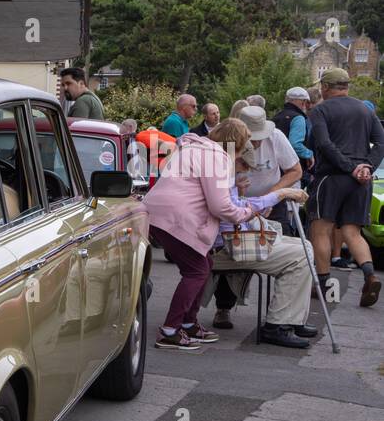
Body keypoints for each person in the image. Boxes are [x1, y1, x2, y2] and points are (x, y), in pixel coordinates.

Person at [143, 119, 305, 350]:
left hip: (160, 213)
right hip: (177, 219)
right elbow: (221, 207)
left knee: (203, 266)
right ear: (237, 143)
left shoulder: (194, 147)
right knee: (197, 271)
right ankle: (170, 330)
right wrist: (246, 213)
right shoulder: (218, 158)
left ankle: (188, 323)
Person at [305, 67, 384, 307]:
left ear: (326, 88)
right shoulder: (365, 110)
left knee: (320, 230)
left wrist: (349, 167)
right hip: (361, 181)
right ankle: (370, 275)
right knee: (353, 232)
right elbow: (381, 142)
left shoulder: (320, 110)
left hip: (331, 177)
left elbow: (323, 143)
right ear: (347, 86)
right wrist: (366, 167)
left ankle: (323, 285)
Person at [272, 86, 314, 173]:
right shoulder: (298, 118)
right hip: (292, 169)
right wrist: (309, 154)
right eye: (306, 102)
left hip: (275, 167)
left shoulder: (277, 116)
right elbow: (295, 144)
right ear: (303, 102)